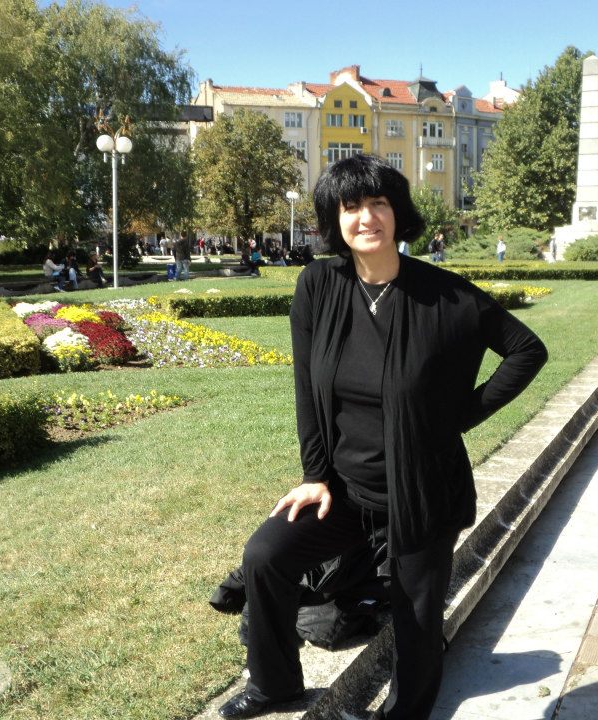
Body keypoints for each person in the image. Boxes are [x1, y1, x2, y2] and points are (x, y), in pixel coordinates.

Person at [218, 154, 547, 720]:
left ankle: (404, 713)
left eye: (378, 203)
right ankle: (275, 683)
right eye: (351, 207)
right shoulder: (319, 285)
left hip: (420, 491)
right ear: (334, 219)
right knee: (265, 556)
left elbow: (526, 351)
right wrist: (315, 476)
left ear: (398, 214)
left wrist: (454, 420)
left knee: (416, 614)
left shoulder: (445, 296)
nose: (365, 217)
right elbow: (307, 389)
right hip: (345, 490)